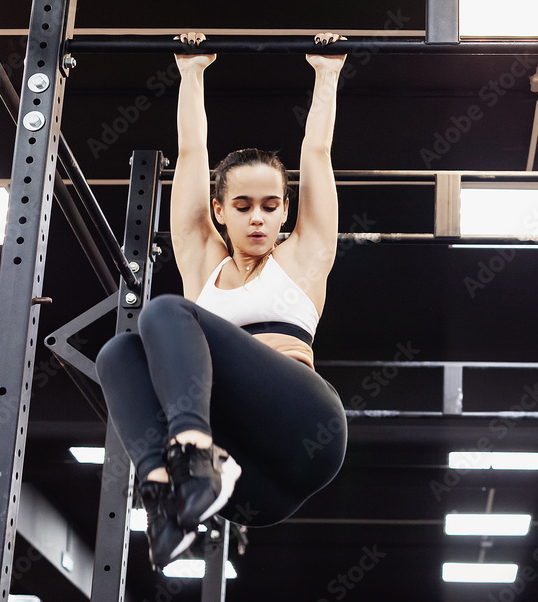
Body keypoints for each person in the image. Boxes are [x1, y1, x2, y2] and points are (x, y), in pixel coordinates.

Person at [95, 32, 349, 570]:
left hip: (305, 431)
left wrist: (326, 74)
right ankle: (163, 497)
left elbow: (318, 152)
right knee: (117, 351)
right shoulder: (201, 260)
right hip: (253, 494)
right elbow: (190, 153)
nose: (258, 217)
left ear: (285, 211)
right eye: (243, 205)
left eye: (270, 205)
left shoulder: (304, 255)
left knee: (165, 310)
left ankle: (192, 449)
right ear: (221, 209)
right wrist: (191, 74)